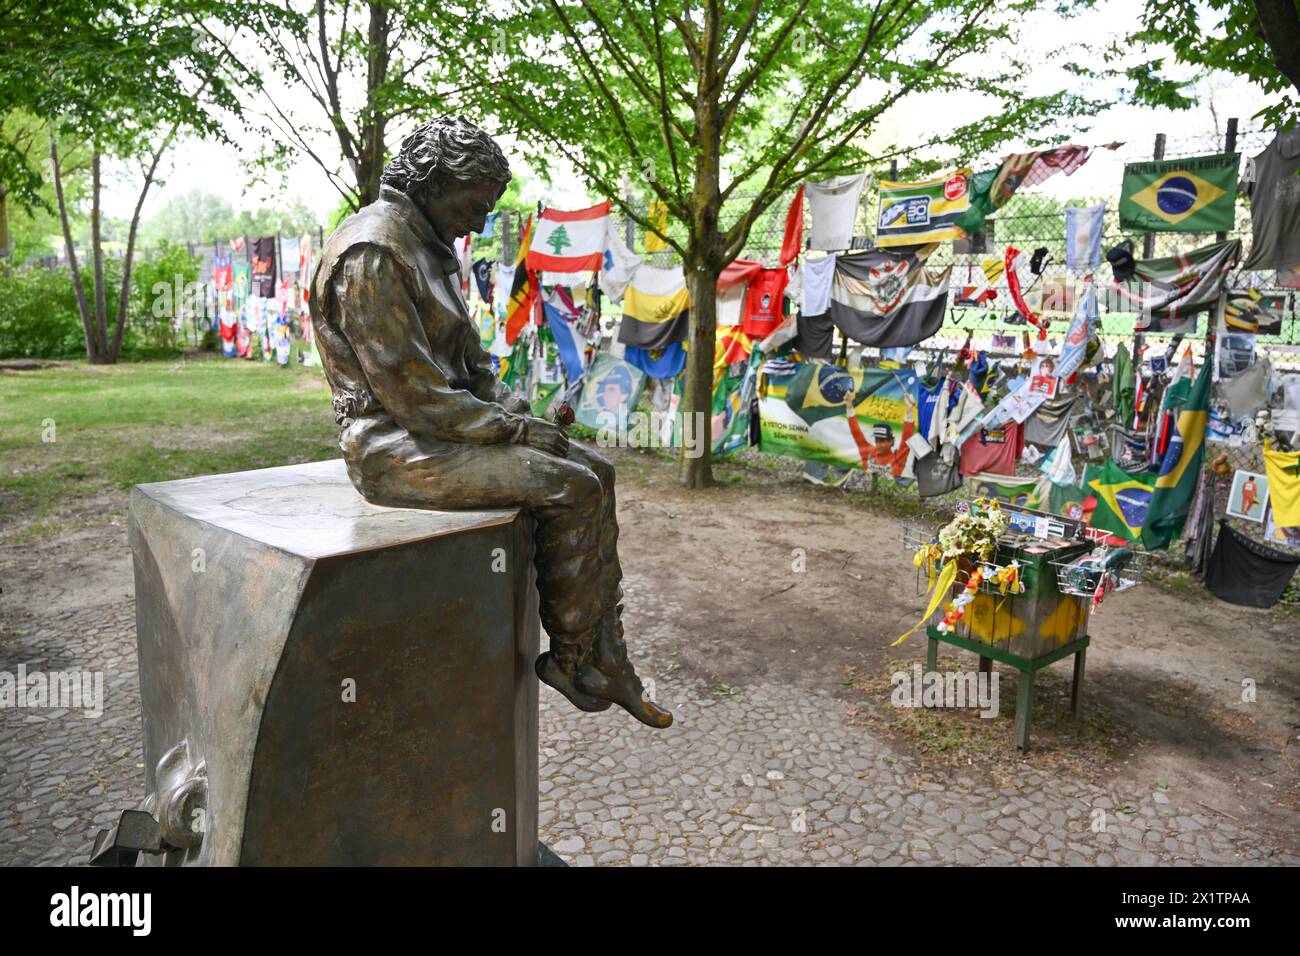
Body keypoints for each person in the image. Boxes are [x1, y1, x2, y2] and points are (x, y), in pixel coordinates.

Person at [308, 116, 671, 728]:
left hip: (445, 427)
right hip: (393, 444)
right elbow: (414, 396)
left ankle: (606, 655)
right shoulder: (374, 252)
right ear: (433, 181)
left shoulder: (429, 246)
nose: (478, 223)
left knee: (598, 469)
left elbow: (473, 368)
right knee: (570, 485)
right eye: (473, 205)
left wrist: (517, 410)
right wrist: (517, 432)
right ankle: (576, 654)